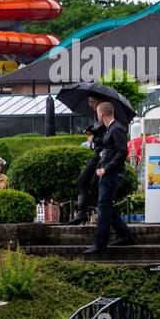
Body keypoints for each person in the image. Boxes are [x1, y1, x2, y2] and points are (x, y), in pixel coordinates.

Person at [84, 102, 135, 255]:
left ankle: (100, 243)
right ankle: (125, 236)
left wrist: (106, 168)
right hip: (107, 172)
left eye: (98, 115)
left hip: (111, 173)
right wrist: (93, 139)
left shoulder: (117, 129)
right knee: (105, 205)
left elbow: (122, 151)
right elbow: (109, 148)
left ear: (101, 114)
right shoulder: (110, 130)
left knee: (103, 205)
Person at [67, 96, 105, 224]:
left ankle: (98, 212)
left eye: (93, 101)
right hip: (97, 154)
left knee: (94, 184)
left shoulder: (106, 115)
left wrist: (93, 138)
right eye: (89, 102)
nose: (90, 104)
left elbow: (107, 138)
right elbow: (98, 131)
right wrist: (91, 131)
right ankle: (81, 213)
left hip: (103, 156)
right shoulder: (96, 116)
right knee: (82, 180)